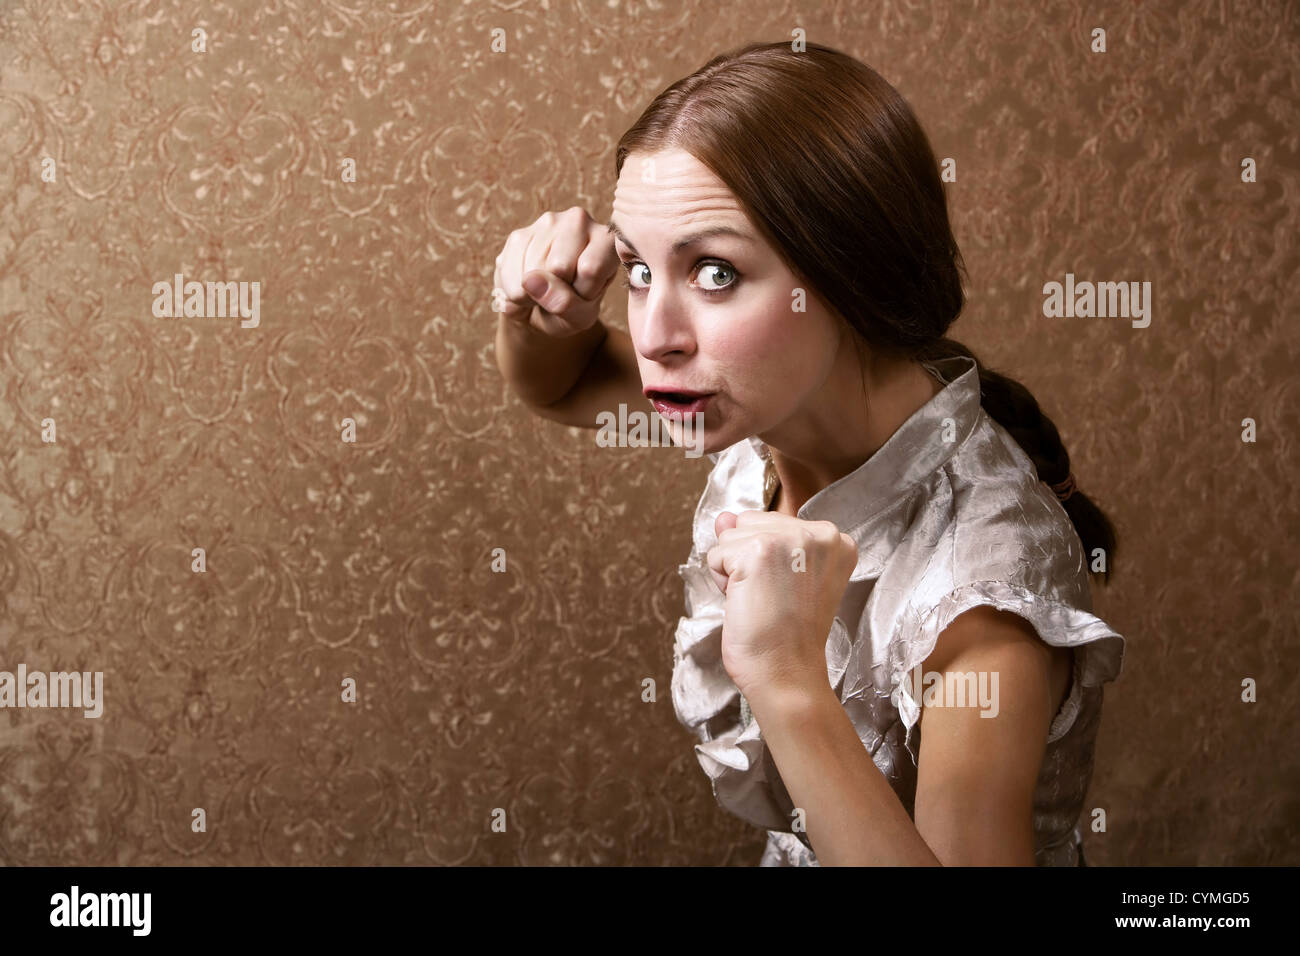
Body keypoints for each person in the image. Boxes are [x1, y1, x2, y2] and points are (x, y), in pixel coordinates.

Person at [492, 40, 1125, 866]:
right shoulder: (766, 394)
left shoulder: (980, 600)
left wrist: (788, 684)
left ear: (848, 274)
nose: (654, 337)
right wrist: (540, 315)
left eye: (715, 272)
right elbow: (565, 386)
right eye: (640, 269)